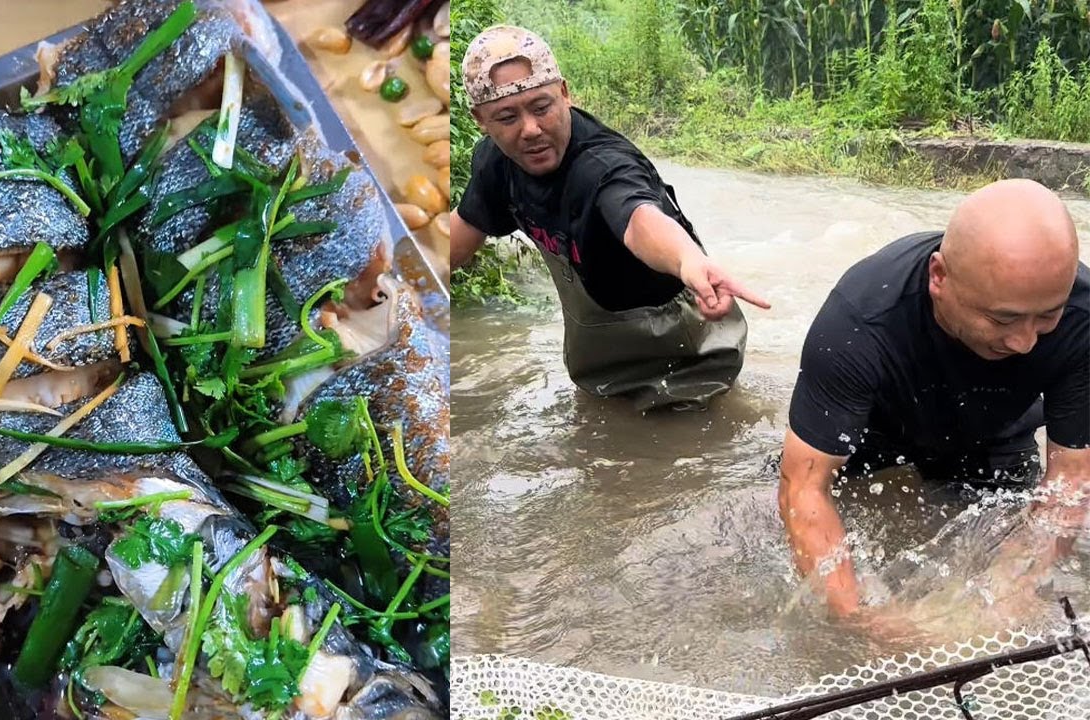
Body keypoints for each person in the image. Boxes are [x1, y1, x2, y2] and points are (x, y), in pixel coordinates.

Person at [779, 178, 1090, 623]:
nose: (1024, 342)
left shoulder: (1083, 317)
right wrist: (862, 619)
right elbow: (803, 486)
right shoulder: (859, 322)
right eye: (1002, 318)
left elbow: (1071, 480)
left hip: (995, 436)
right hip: (874, 438)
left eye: (1048, 317)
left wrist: (1008, 592)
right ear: (939, 277)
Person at [449, 25, 769, 411]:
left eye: (542, 107)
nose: (531, 129)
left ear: (565, 94)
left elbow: (637, 218)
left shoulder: (601, 165)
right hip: (599, 355)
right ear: (480, 119)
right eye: (507, 117)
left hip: (683, 352)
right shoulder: (496, 165)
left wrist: (689, 261)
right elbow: (458, 237)